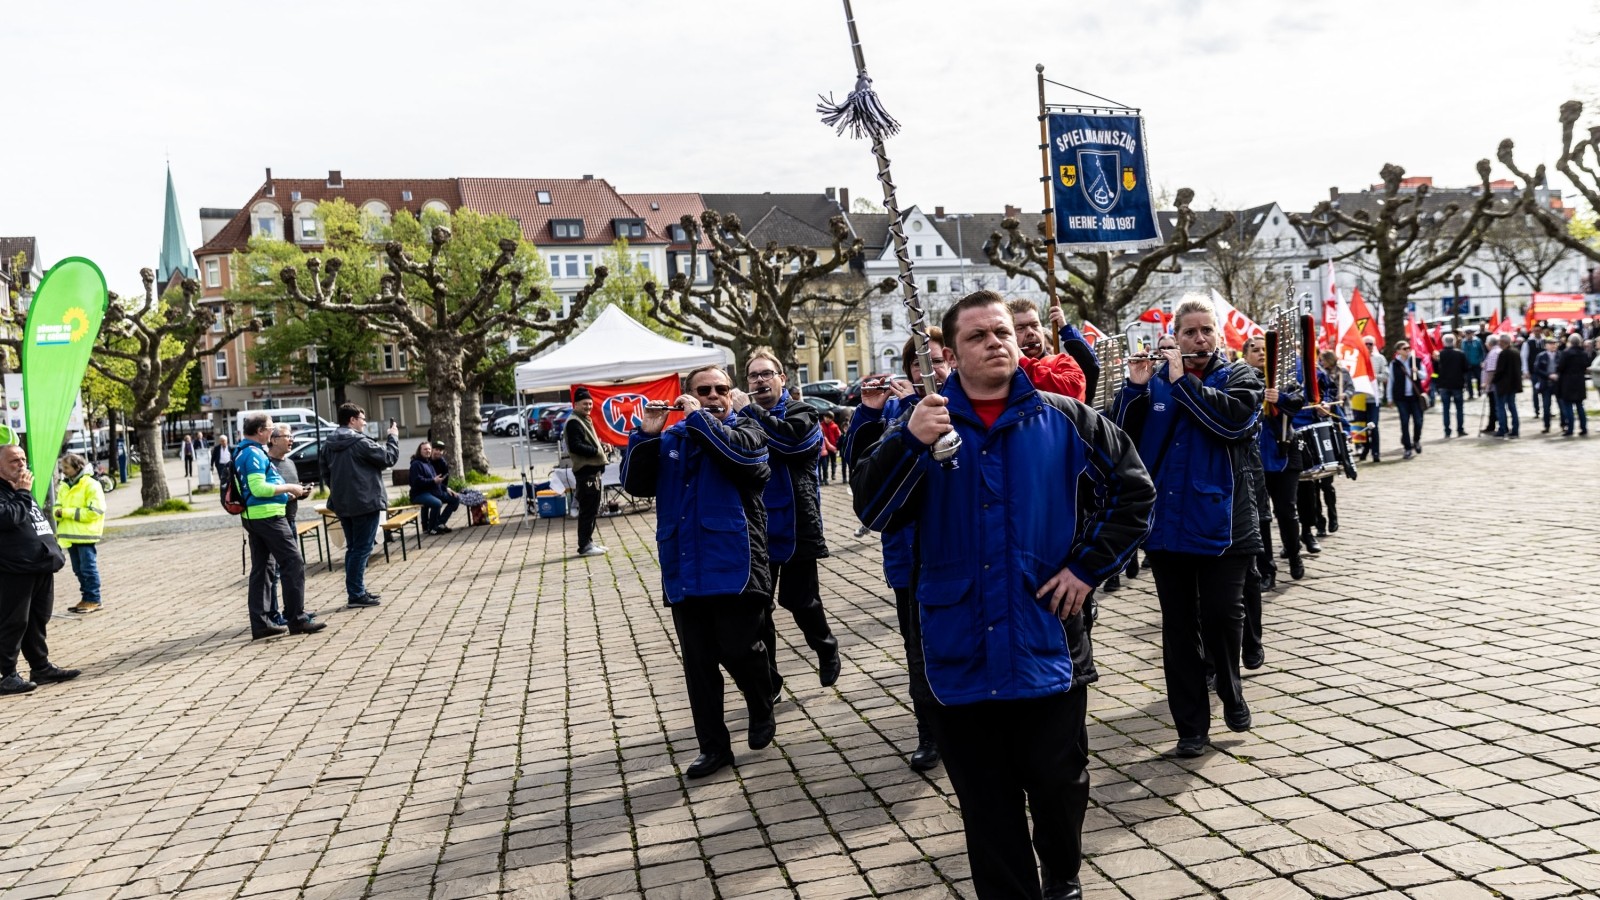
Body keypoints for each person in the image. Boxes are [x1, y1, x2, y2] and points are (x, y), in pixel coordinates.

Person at [853, 290, 1153, 900]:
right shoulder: (922, 425)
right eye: (977, 336)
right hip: (956, 642)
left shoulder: (1066, 418)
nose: (995, 342)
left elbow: (1134, 494)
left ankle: (1062, 874)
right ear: (951, 354)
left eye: (1002, 333)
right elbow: (874, 510)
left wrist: (1086, 569)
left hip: (1049, 636)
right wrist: (909, 444)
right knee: (987, 805)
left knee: (1058, 781)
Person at [1113, 296, 1262, 759]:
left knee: (1220, 616)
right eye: (1189, 332)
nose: (1198, 339)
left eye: (1205, 331)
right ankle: (1190, 727)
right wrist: (1135, 390)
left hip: (1226, 523)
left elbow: (1231, 424)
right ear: (1174, 337)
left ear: (1218, 335)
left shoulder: (1240, 376)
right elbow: (1121, 442)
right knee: (1178, 631)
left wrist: (1182, 385)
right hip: (1167, 524)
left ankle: (1231, 689)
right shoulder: (1156, 380)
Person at [622, 365, 776, 780]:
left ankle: (762, 699)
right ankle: (713, 747)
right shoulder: (673, 438)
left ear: (732, 394)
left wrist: (698, 418)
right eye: (702, 390)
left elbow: (743, 460)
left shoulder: (748, 430)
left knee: (739, 648)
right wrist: (647, 435)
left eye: (721, 389)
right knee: (699, 664)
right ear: (686, 393)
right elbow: (634, 482)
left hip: (736, 563)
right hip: (684, 564)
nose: (713, 396)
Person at [845, 328, 950, 772]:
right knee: (916, 649)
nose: (929, 370)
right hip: (908, 556)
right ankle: (930, 733)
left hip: (952, 550)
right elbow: (860, 472)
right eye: (917, 364)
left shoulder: (965, 404)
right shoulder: (892, 413)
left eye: (940, 361)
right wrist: (870, 413)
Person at [740, 350, 841, 693]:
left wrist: (749, 413)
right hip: (755, 528)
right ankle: (770, 681)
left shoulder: (803, 412)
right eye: (753, 376)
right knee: (757, 609)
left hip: (797, 524)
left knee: (799, 600)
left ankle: (826, 648)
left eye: (767, 373)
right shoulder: (741, 418)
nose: (760, 380)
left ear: (782, 379)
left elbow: (790, 443)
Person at [235, 414, 326, 640]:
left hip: (256, 517)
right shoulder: (253, 453)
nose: (272, 432)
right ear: (259, 431)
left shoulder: (243, 452)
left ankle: (262, 623)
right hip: (268, 517)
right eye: (270, 429)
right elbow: (258, 489)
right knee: (293, 562)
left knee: (263, 569)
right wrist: (290, 488)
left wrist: (289, 493)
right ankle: (297, 618)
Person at [0, 444, 79, 694]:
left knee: (37, 620)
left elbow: (36, 520)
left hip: (40, 564)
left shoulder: (23, 489)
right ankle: (7, 675)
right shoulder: (14, 491)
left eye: (23, 458)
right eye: (14, 460)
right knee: (14, 623)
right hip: (14, 568)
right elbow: (8, 518)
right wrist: (23, 492)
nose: (22, 464)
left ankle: (41, 667)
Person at [1240, 337, 1304, 584]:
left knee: (1287, 511)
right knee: (1261, 517)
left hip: (1284, 454)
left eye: (1265, 349)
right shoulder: (1240, 379)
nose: (1261, 353)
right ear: (1245, 355)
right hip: (1253, 459)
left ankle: (1295, 555)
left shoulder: (1283, 379)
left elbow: (1299, 402)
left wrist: (1281, 399)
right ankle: (1267, 570)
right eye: (1254, 349)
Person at [324, 404, 399, 608]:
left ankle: (356, 591)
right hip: (365, 502)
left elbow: (325, 473)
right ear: (352, 420)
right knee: (362, 548)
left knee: (354, 548)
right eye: (362, 418)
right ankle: (356, 594)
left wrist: (338, 492)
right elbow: (389, 458)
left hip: (343, 503)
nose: (365, 422)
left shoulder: (328, 443)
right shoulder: (360, 442)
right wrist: (393, 437)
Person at [1006, 299, 1097, 401]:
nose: (1030, 332)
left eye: (1034, 325)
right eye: (1020, 328)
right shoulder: (1003, 370)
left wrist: (1065, 328)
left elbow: (1074, 390)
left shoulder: (1061, 361)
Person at [53, 453, 106, 614]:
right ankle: (86, 597)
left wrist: (65, 513)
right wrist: (59, 512)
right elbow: (56, 507)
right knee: (78, 569)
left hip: (85, 535)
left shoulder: (91, 484)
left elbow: (95, 511)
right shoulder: (64, 485)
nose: (64, 471)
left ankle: (94, 599)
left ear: (77, 467)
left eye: (67, 467)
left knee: (88, 569)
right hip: (70, 536)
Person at [264, 423, 303, 626]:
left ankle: (293, 610)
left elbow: (293, 490)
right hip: (274, 522)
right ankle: (274, 614)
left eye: (292, 437)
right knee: (275, 571)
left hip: (291, 520)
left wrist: (302, 493)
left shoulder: (290, 463)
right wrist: (284, 496)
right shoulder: (265, 463)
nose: (291, 440)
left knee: (292, 568)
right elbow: (263, 492)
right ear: (274, 439)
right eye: (287, 436)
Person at [565, 388, 610, 556]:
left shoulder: (583, 419)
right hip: (586, 473)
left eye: (590, 403)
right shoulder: (574, 422)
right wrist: (595, 451)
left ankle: (589, 542)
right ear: (575, 404)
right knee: (587, 510)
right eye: (585, 404)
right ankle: (584, 546)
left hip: (592, 472)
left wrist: (601, 447)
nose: (588, 406)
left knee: (592, 509)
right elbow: (575, 445)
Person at [408, 442, 461, 536]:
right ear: (419, 451)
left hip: (432, 491)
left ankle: (439, 524)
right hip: (419, 494)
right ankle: (432, 528)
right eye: (425, 449)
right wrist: (433, 481)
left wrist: (446, 488)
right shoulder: (416, 464)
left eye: (429, 449)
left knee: (455, 498)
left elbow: (437, 481)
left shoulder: (429, 463)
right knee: (437, 503)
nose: (427, 451)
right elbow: (417, 482)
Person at [1389, 341, 1426, 459]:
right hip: (1402, 398)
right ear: (1398, 351)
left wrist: (1417, 372)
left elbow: (1425, 376)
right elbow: (1391, 381)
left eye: (1408, 348)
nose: (1407, 350)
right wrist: (1389, 398)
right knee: (1404, 422)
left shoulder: (1416, 360)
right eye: (1404, 348)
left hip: (1415, 397)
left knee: (1418, 421)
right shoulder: (1394, 364)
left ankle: (1416, 440)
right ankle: (1407, 447)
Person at [1555, 333, 1591, 437]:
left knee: (1568, 407)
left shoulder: (1566, 353)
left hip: (1567, 382)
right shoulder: (1583, 353)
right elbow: (1586, 366)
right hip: (1579, 381)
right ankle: (1583, 428)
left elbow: (1560, 367)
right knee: (1580, 406)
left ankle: (1570, 429)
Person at [1434, 334, 1468, 437]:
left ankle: (1447, 431)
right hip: (1457, 384)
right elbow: (1466, 369)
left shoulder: (1439, 355)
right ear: (1453, 342)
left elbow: (1435, 371)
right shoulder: (1460, 354)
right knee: (1459, 409)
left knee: (1446, 409)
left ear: (1444, 342)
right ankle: (1460, 430)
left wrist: (1436, 381)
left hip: (1443, 385)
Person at [1356, 337, 1384, 462]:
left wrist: (1374, 376)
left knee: (1373, 425)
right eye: (1365, 344)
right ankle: (1365, 449)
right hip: (1359, 398)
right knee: (1361, 426)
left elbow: (1386, 375)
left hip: (1373, 398)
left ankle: (1376, 452)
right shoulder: (1357, 358)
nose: (1368, 346)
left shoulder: (1379, 359)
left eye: (1370, 344)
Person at [1489, 334, 1522, 438]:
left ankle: (1502, 429)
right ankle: (1515, 429)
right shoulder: (1516, 352)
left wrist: (1493, 381)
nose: (1499, 343)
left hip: (1503, 385)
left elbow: (1500, 370)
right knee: (1512, 407)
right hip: (1513, 384)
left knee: (1501, 407)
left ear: (1503, 342)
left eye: (1500, 342)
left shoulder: (1504, 353)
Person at [1533, 338, 1560, 433]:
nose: (1553, 346)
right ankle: (1546, 425)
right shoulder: (1541, 356)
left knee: (1561, 405)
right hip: (1545, 384)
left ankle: (1564, 424)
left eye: (1554, 344)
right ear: (1546, 346)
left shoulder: (1560, 355)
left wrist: (1557, 375)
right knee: (1546, 406)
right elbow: (1537, 369)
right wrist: (1548, 375)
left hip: (1558, 384)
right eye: (1550, 344)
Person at [818, 411, 841, 485]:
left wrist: (837, 446)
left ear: (832, 419)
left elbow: (838, 436)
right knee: (826, 464)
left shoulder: (835, 426)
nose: (827, 419)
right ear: (824, 417)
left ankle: (833, 473)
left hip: (832, 446)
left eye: (829, 418)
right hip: (825, 448)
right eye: (826, 417)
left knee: (833, 461)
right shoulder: (821, 425)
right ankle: (824, 477)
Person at [1461, 329, 1486, 399]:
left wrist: (1482, 361)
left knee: (1479, 378)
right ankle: (1471, 394)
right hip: (1467, 364)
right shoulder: (1463, 342)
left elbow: (1482, 352)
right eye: (1467, 334)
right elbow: (1462, 352)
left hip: (1477, 363)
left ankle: (1479, 392)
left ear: (1472, 334)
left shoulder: (1477, 341)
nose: (1468, 335)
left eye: (1470, 334)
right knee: (1468, 380)